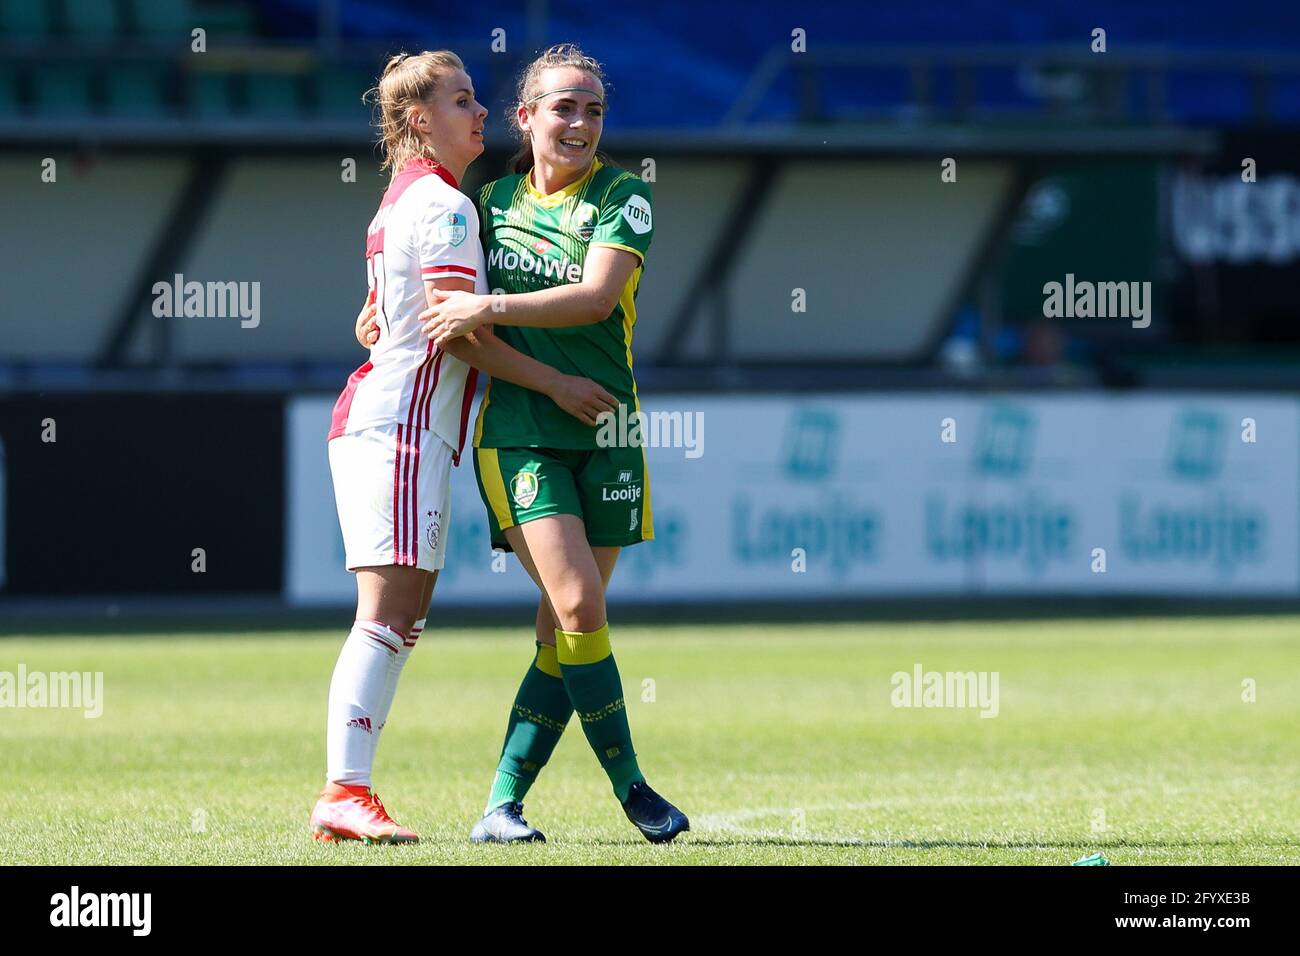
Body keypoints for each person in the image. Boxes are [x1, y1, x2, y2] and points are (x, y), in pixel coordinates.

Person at [312, 49, 618, 844]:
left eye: (477, 99)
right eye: (460, 100)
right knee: (386, 615)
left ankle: (349, 790)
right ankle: (345, 790)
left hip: (394, 424)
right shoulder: (446, 207)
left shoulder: (403, 200)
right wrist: (554, 384)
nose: (478, 112)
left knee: (401, 618)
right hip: (403, 428)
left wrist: (376, 320)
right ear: (420, 121)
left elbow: (402, 312)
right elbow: (460, 333)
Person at [418, 43, 689, 844]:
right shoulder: (487, 202)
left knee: (560, 628)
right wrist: (380, 317)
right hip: (523, 432)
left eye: (594, 110)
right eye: (563, 107)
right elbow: (451, 328)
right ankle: (634, 790)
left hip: (608, 427)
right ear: (526, 116)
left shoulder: (624, 195)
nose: (580, 123)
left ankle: (500, 805)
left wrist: (491, 305)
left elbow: (598, 299)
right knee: (578, 605)